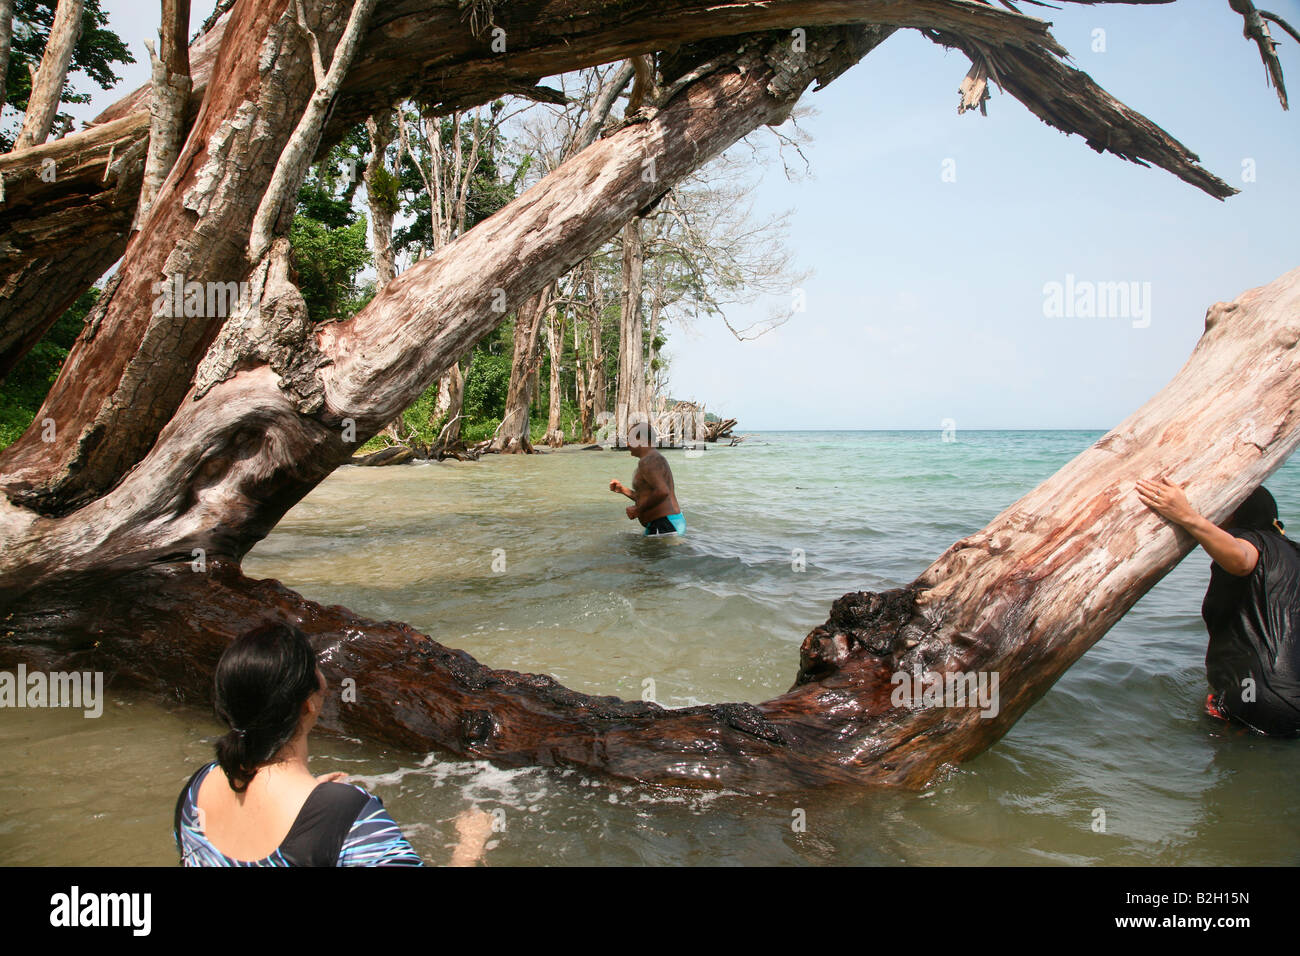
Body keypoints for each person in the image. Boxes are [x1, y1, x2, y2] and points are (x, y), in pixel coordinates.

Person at [174, 621, 494, 865]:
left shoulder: (195, 789)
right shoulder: (349, 814)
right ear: (308, 704)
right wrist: (470, 846)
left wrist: (314, 804)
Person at [1137, 479, 1300, 737]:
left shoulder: (1251, 540)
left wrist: (1188, 517)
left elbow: (1241, 560)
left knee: (1231, 766)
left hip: (1256, 696)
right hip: (1290, 699)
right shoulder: (1293, 553)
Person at [608, 421, 684, 536]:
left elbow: (662, 492)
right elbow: (647, 496)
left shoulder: (649, 461)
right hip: (661, 524)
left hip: (664, 524)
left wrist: (638, 510)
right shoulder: (651, 459)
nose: (628, 444)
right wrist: (623, 490)